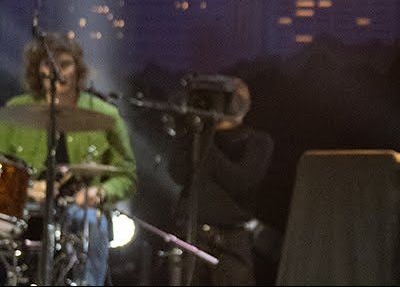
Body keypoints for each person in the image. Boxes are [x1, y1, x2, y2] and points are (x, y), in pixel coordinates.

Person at [0, 31, 137, 286]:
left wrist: (100, 192)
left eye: (64, 64)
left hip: (79, 208)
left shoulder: (105, 114)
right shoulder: (16, 110)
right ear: (37, 69)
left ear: (77, 69)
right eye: (49, 65)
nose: (57, 72)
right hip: (24, 208)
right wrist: (28, 188)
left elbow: (126, 173)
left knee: (89, 221)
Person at [166, 74, 274, 286]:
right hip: (191, 235)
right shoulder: (194, 135)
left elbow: (241, 182)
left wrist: (207, 138)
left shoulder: (257, 141)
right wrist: (187, 133)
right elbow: (177, 174)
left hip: (231, 241)